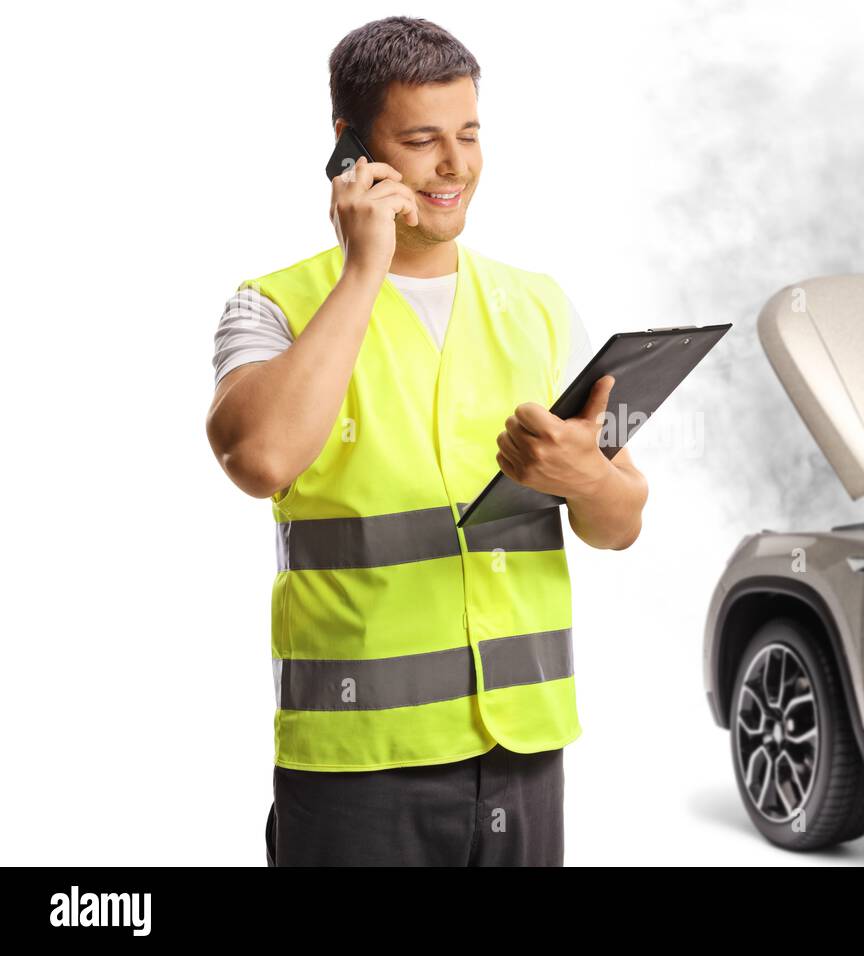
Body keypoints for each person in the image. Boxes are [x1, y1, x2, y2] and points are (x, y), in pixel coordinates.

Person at [205, 16, 648, 867]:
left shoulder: (541, 304)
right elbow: (258, 459)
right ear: (350, 148)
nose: (455, 167)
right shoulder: (272, 305)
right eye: (422, 140)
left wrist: (582, 480)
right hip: (357, 769)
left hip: (523, 754)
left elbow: (623, 520)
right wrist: (363, 266)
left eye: (470, 135)